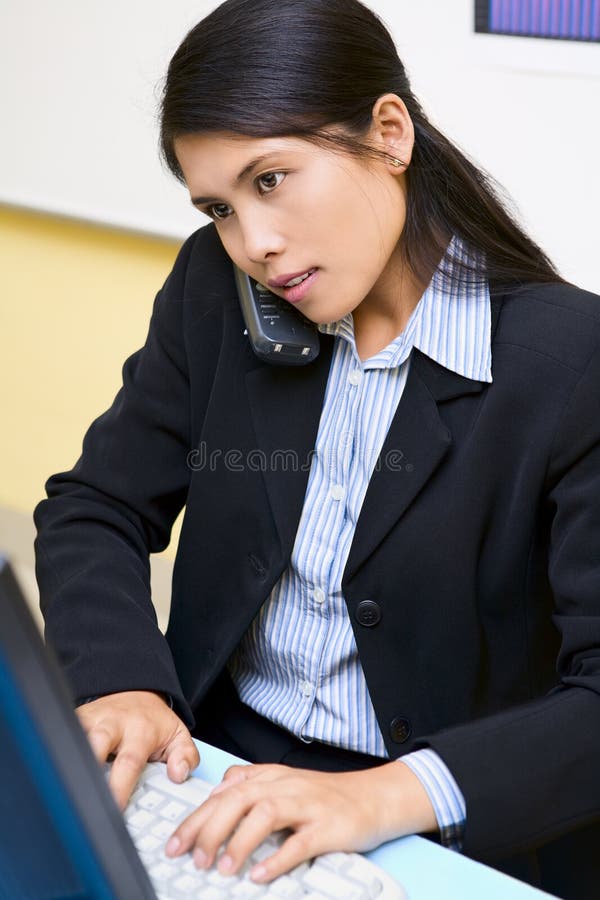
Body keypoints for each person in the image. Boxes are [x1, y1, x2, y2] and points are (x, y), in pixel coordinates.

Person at [34, 0, 600, 897]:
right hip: (212, 771)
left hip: (439, 823)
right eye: (219, 206)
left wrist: (378, 797)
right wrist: (121, 683)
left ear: (389, 133)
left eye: (271, 180)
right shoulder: (215, 292)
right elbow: (95, 505)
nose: (253, 244)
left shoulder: (571, 365)